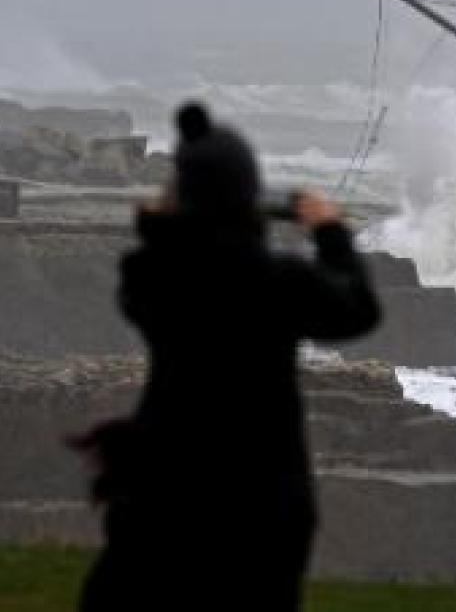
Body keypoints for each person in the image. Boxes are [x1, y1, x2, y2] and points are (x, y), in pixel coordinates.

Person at [74, 102, 380, 611]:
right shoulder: (278, 281)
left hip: (166, 486)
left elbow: (157, 252)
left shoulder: (155, 280)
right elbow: (356, 311)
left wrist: (169, 214)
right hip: (263, 494)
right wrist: (331, 234)